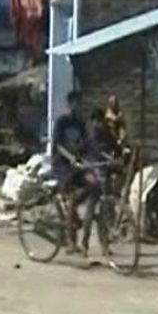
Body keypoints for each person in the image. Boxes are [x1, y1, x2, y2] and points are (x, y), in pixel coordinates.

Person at [52, 90, 98, 254]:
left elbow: (87, 146)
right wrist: (70, 158)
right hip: (62, 165)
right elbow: (58, 146)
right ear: (70, 104)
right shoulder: (62, 122)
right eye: (76, 103)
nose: (79, 106)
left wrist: (95, 158)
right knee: (72, 196)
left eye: (81, 103)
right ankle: (72, 241)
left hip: (77, 165)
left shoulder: (81, 124)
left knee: (94, 185)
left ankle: (74, 212)